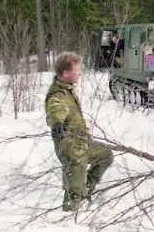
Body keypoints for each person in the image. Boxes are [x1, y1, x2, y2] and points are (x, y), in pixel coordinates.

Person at [45, 51, 114, 212]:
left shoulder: (68, 89)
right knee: (73, 193)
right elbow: (55, 109)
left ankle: (86, 190)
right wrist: (57, 123)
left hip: (82, 143)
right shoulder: (58, 94)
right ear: (65, 73)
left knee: (105, 155)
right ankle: (70, 217)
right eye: (77, 71)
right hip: (71, 149)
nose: (80, 73)